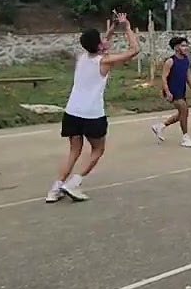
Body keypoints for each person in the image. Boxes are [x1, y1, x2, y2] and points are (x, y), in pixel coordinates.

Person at [47, 13, 140, 203]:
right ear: (98, 46)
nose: (104, 40)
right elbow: (134, 49)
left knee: (74, 151)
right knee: (97, 150)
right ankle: (73, 183)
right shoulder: (104, 61)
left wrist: (113, 29)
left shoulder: (82, 57)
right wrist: (127, 27)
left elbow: (102, 41)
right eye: (101, 40)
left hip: (72, 112)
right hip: (92, 114)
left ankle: (55, 189)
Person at [152, 36, 191, 148]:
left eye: (186, 45)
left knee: (183, 113)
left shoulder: (186, 59)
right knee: (184, 109)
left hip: (181, 89)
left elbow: (187, 75)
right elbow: (164, 78)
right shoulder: (170, 61)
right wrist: (167, 91)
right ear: (176, 47)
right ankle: (185, 137)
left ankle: (160, 126)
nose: (185, 48)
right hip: (172, 90)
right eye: (183, 45)